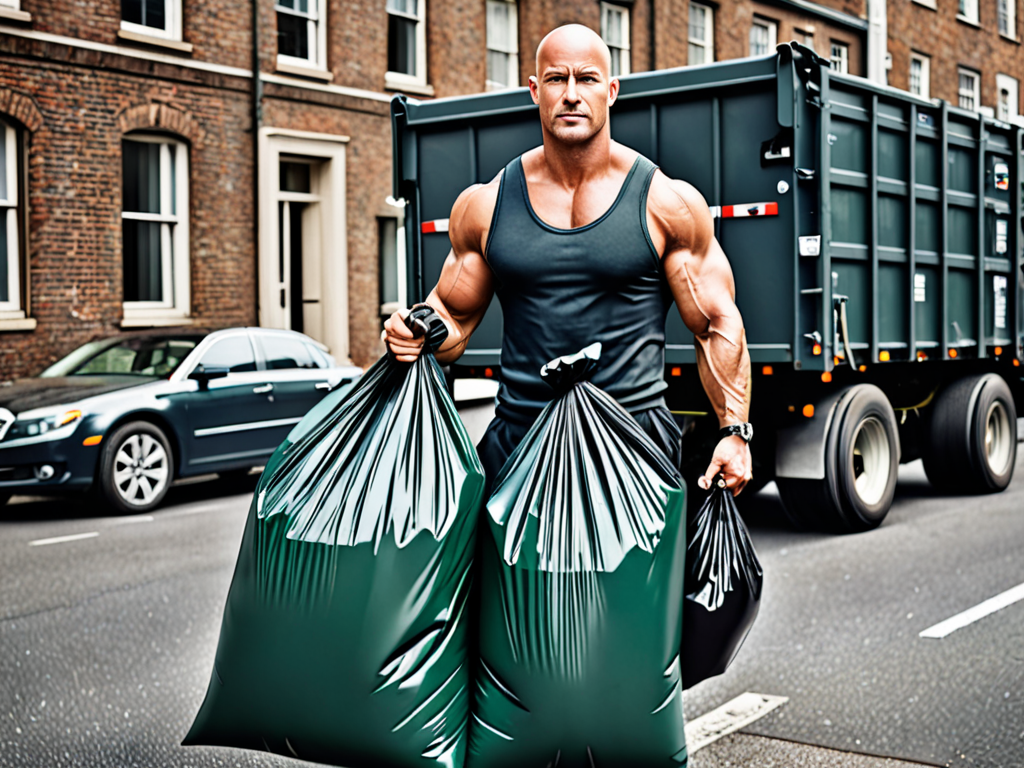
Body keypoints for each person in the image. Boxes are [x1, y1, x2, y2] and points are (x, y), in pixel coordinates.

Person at [383, 23, 753, 496]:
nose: (572, 94)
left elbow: (716, 323)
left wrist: (734, 431)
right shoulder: (486, 204)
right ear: (535, 91)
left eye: (588, 79)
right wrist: (415, 332)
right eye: (557, 79)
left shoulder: (667, 203)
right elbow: (451, 320)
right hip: (521, 445)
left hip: (633, 449)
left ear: (612, 91)